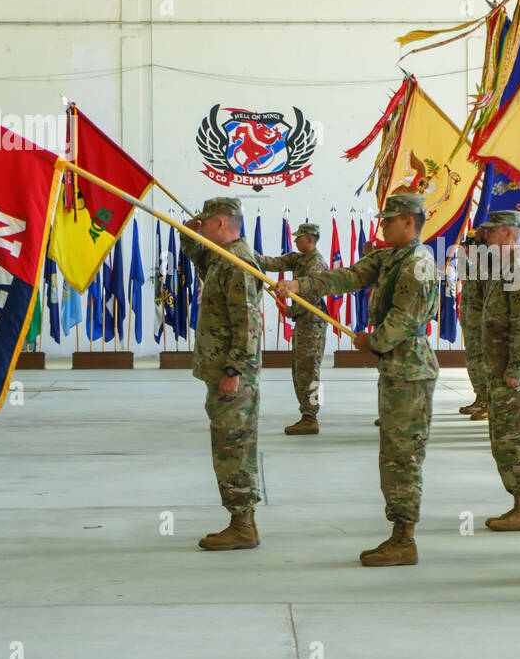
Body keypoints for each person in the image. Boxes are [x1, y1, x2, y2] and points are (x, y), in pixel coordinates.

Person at [277, 193, 438, 566]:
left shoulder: (419, 263)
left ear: (409, 222)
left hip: (410, 369)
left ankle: (404, 539)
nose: (382, 225)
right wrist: (301, 286)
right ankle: (400, 534)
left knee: (403, 457)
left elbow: (404, 319)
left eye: (389, 220)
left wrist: (372, 341)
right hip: (397, 368)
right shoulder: (391, 257)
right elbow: (349, 276)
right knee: (393, 455)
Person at [181, 198, 265, 551]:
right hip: (223, 372)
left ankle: (242, 524)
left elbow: (247, 323)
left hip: (234, 375)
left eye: (204, 224)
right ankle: (241, 521)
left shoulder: (237, 262)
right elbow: (201, 261)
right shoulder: (223, 257)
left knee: (234, 446)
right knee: (228, 443)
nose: (201, 228)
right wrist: (188, 236)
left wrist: (233, 369)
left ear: (218, 224)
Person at [477, 210, 520, 531]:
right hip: (502, 368)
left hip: (512, 373)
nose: (486, 238)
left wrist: (517, 368)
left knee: (513, 439)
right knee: (503, 439)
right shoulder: (506, 267)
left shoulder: (519, 269)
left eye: (491, 233)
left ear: (507, 234)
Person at [254, 222, 327, 435]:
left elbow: (311, 296)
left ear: (311, 239)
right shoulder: (298, 259)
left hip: (313, 323)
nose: (295, 240)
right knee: (299, 370)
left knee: (311, 372)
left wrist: (292, 309)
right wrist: (248, 256)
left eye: (299, 237)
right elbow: (273, 262)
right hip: (304, 322)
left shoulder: (317, 264)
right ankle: (308, 414)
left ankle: (311, 416)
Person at [459, 227, 489, 420]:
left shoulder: (487, 269)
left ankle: (487, 401)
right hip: (471, 325)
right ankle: (479, 397)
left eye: (469, 247)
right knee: (473, 361)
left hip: (481, 326)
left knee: (483, 362)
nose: (466, 250)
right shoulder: (475, 267)